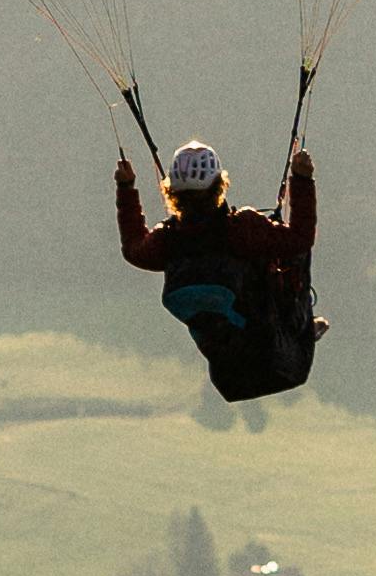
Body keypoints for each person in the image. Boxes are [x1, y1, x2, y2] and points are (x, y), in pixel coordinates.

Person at [115, 134, 323, 401]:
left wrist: (126, 188)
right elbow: (300, 238)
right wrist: (302, 179)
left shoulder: (168, 241)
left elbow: (133, 249)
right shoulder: (242, 230)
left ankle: (297, 324)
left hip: (228, 379)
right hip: (281, 360)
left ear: (171, 191)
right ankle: (301, 323)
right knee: (292, 254)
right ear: (219, 186)